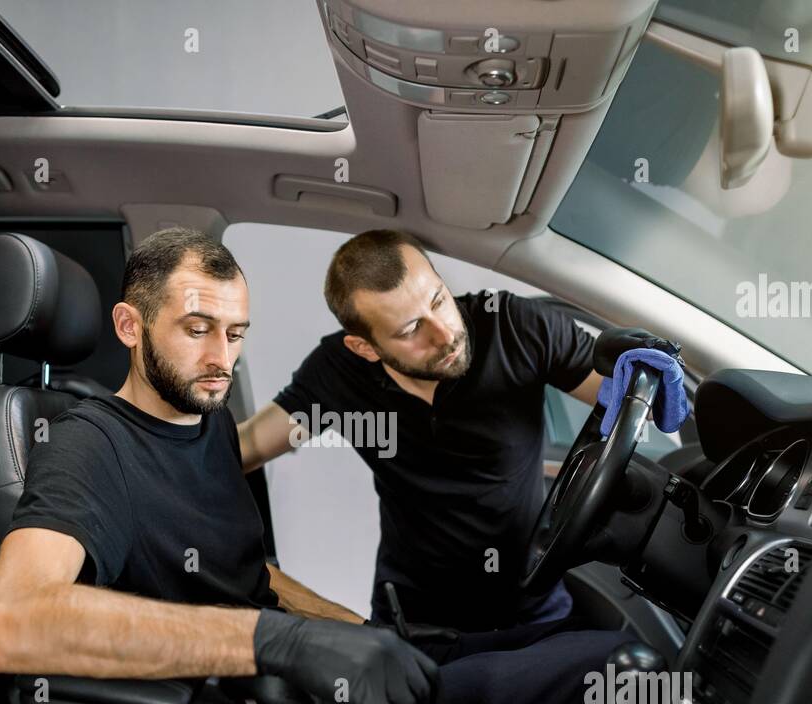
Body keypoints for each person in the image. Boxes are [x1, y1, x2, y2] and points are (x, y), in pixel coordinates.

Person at [0, 227, 439, 704]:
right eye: (197, 330)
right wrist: (278, 643)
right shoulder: (89, 444)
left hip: (277, 688)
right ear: (131, 326)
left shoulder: (207, 417)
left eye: (235, 333)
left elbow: (244, 576)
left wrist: (354, 632)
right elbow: (12, 623)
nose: (222, 359)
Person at [240, 228, 617, 632]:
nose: (444, 333)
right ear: (365, 348)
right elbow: (246, 447)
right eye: (410, 330)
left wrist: (644, 370)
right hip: (416, 618)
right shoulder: (338, 371)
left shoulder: (513, 326)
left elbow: (624, 393)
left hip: (530, 604)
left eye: (439, 299)